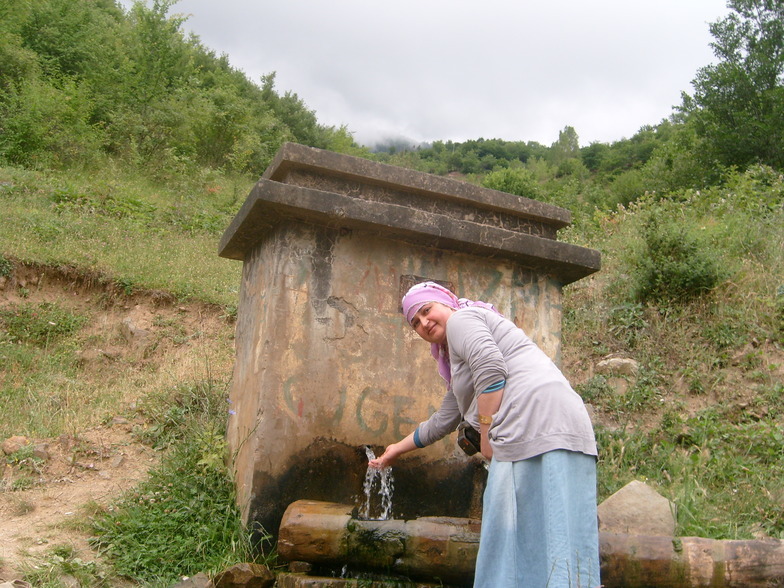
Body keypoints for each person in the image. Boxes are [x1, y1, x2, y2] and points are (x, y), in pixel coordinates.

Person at [369, 281, 601, 588]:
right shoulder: (456, 357)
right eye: (415, 323)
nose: (424, 323)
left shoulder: (462, 320)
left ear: (446, 303)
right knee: (553, 527)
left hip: (537, 421)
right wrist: (396, 449)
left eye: (427, 311)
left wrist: (486, 433)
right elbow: (444, 419)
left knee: (513, 528)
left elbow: (491, 369)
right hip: (552, 424)